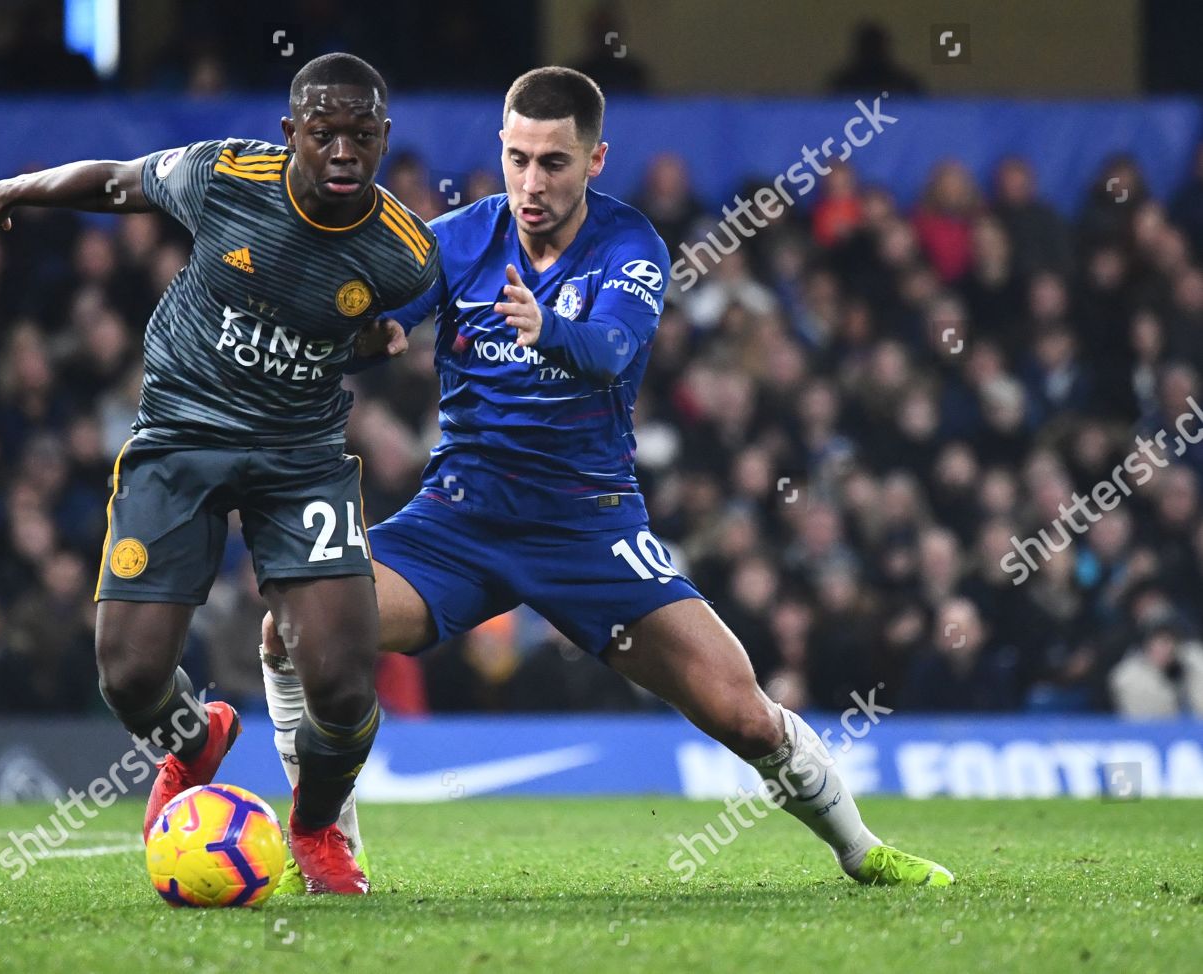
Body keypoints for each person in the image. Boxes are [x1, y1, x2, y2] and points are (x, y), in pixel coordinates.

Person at [260, 66, 953, 891]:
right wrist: (357, 337)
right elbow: (384, 326)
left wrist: (547, 326)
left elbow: (612, 351)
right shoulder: (451, 240)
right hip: (461, 520)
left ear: (595, 161)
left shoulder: (631, 245)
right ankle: (327, 837)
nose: (531, 181)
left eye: (554, 162)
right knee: (292, 629)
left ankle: (860, 849)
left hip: (589, 526)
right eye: (517, 158)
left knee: (740, 712)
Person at [0, 52, 439, 895]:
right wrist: (16, 188)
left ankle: (314, 831)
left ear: (384, 139)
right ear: (292, 136)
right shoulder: (226, 175)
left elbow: (374, 335)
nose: (343, 152)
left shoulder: (403, 255)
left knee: (346, 685)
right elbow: (116, 181)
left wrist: (373, 346)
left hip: (300, 458)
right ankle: (194, 741)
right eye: (324, 134)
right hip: (180, 436)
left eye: (361, 135)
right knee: (128, 676)